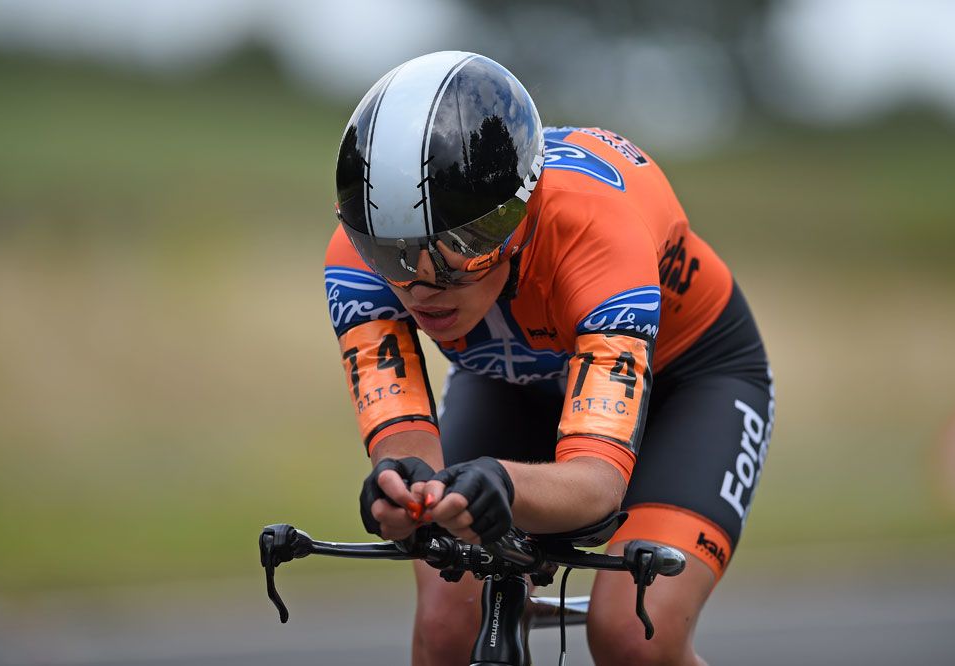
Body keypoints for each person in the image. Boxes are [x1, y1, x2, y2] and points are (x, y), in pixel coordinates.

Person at [325, 51, 774, 666]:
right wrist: (404, 493)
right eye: (389, 254)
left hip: (688, 380)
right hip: (514, 382)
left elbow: (596, 483)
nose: (422, 285)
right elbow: (407, 446)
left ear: (521, 217)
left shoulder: (595, 236)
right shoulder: (355, 264)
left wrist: (503, 482)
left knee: (634, 634)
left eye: (458, 249)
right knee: (445, 625)